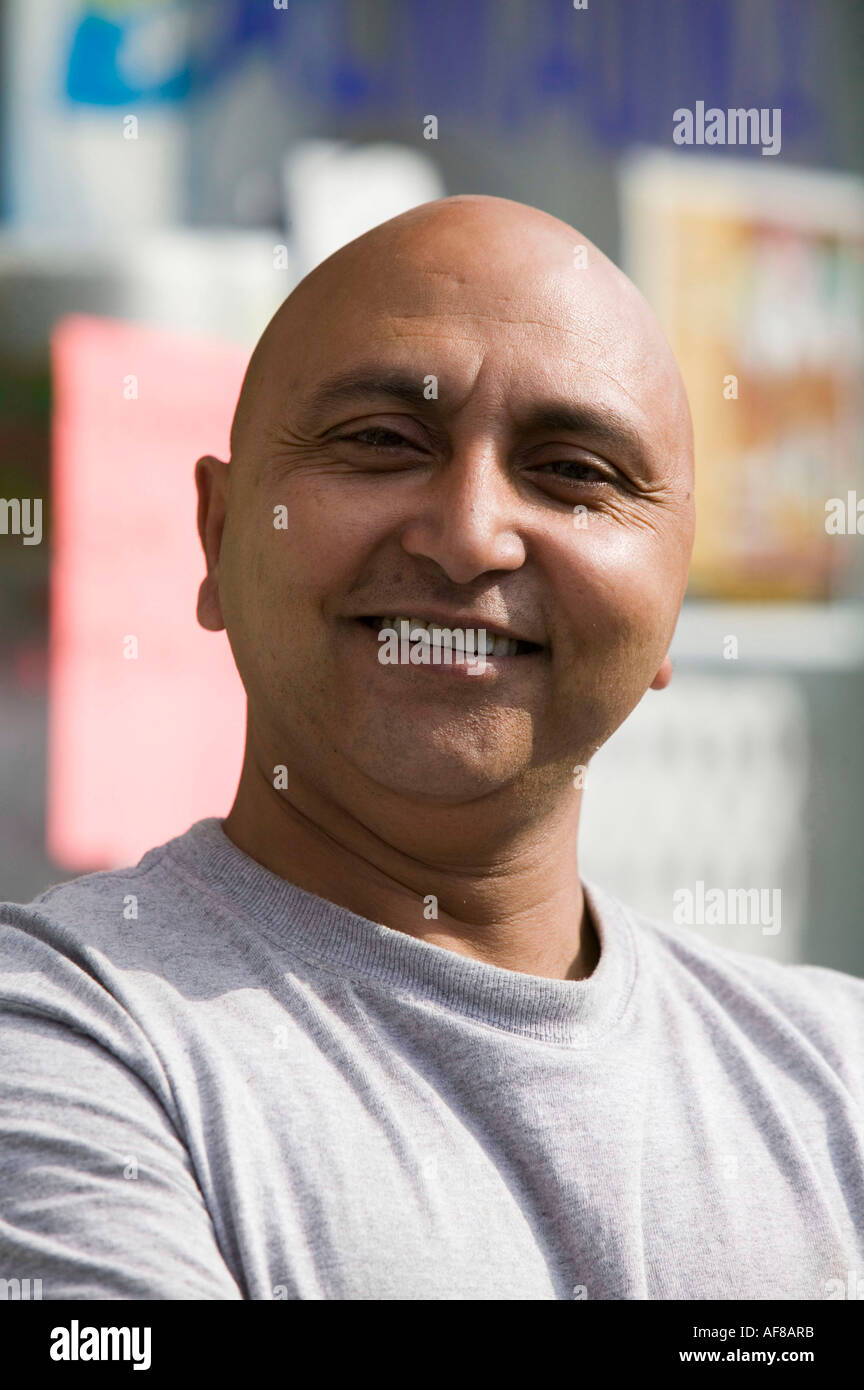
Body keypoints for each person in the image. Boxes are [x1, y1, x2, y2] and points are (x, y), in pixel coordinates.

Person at [1, 196, 862, 1301]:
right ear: (217, 535)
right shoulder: (72, 1037)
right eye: (380, 443)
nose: (467, 537)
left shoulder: (836, 1080)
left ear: (673, 605)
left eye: (574, 471)